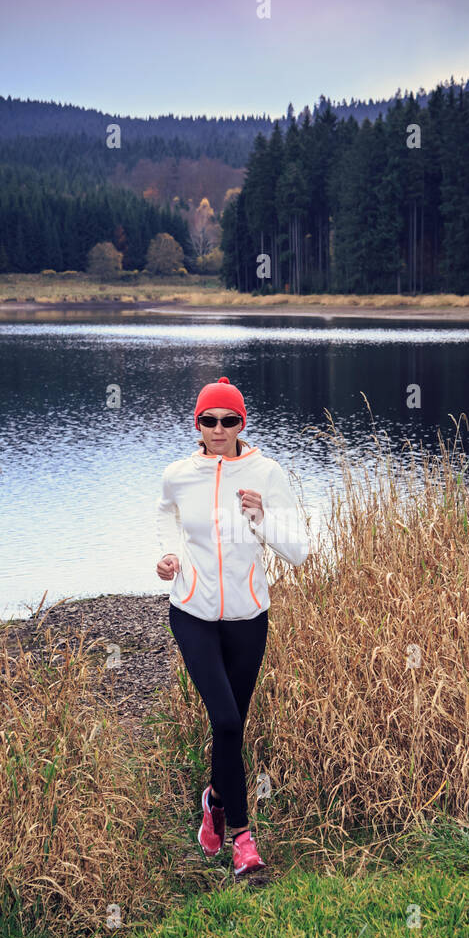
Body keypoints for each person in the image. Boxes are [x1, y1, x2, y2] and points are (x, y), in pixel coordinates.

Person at [155, 376, 310, 877]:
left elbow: (301, 550)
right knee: (224, 721)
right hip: (193, 613)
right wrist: (167, 555)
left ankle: (215, 799)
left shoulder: (266, 472)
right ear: (196, 423)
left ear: (243, 423)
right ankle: (244, 841)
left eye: (229, 420)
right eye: (209, 420)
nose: (218, 429)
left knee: (233, 727)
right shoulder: (178, 475)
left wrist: (263, 519)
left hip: (249, 618)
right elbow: (163, 518)